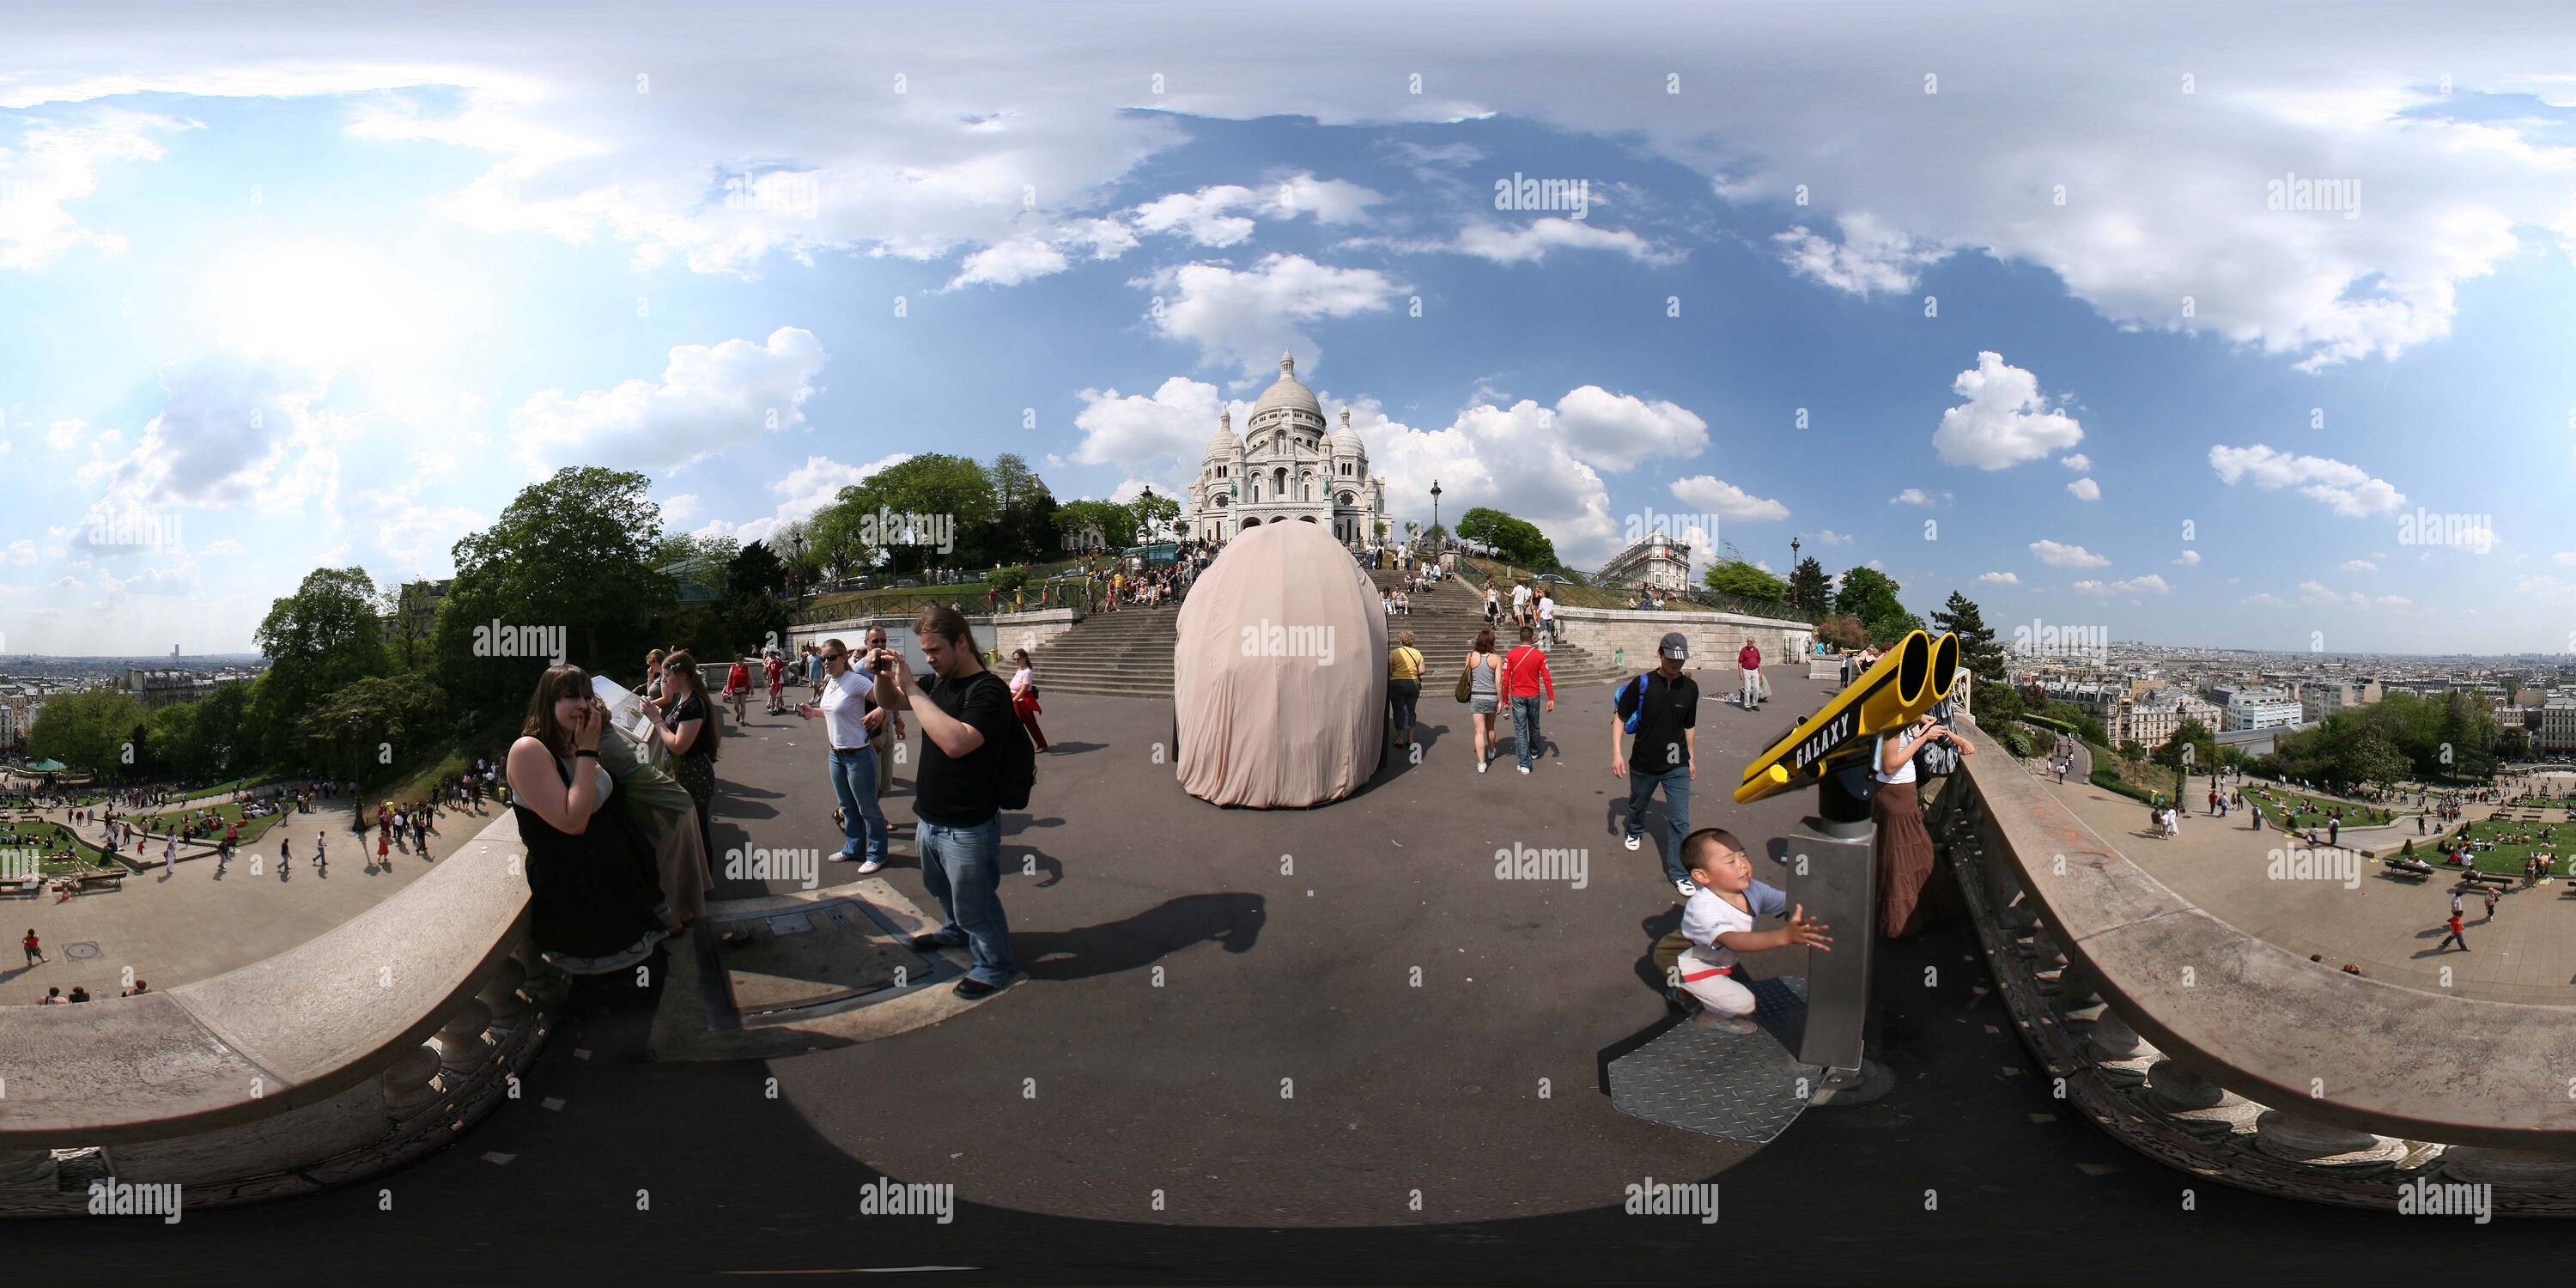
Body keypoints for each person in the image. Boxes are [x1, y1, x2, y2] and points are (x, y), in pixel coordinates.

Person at [872, 605, 1021, 999]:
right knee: (940, 888)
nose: (929, 659)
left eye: (935, 650)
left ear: (961, 642)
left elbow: (956, 742)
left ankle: (992, 964)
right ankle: (954, 930)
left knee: (976, 903)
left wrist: (915, 688)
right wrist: (884, 676)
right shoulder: (938, 683)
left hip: (970, 822)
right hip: (931, 817)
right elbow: (888, 702)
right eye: (924, 652)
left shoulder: (988, 690)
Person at [505, 665, 670, 973]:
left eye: (587, 696)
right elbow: (573, 821)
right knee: (619, 995)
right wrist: (587, 752)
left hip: (616, 881)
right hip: (582, 894)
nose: (582, 704)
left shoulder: (572, 742)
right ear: (548, 703)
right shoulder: (529, 750)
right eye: (570, 696)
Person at [1674, 828, 1832, 1033]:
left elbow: (1787, 903)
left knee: (1727, 989)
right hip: (1689, 967)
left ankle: (1690, 993)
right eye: (1731, 861)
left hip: (1715, 962)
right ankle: (1703, 1014)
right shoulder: (1702, 908)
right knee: (1743, 1004)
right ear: (1702, 875)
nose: (1743, 864)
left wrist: (1816, 895)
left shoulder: (1751, 888)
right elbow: (1734, 940)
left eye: (1743, 854)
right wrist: (1785, 936)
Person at [1614, 632, 1700, 897]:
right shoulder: (1641, 684)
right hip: (1644, 760)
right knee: (1638, 803)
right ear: (1659, 653)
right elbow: (1620, 718)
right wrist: (1616, 753)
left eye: (1681, 660)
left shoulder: (1690, 688)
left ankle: (1679, 872)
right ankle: (1635, 828)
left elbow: (1690, 725)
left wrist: (1692, 757)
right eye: (1672, 659)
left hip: (1677, 763)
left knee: (1680, 822)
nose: (1677, 664)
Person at [795, 637, 892, 873]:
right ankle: (853, 848)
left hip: (858, 753)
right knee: (847, 807)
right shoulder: (830, 681)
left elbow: (889, 700)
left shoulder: (856, 681)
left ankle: (877, 854)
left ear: (844, 657)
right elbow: (833, 712)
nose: (825, 662)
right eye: (822, 657)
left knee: (867, 807)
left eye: (831, 657)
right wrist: (813, 713)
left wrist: (880, 711)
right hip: (836, 754)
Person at [1874, 708, 1974, 937]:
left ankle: (1916, 914)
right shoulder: (1892, 719)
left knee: (1914, 853)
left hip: (1902, 793)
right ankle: (1900, 923)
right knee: (1904, 858)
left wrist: (1918, 720)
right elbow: (1889, 764)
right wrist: (1922, 738)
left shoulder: (1898, 714)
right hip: (1895, 795)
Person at [1502, 625, 1554, 775]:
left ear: (1520, 638)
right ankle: (1535, 751)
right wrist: (1551, 698)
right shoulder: (1539, 655)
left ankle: (1524, 763)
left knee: (1520, 728)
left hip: (1517, 695)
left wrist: (1505, 699)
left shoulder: (1510, 655)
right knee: (1534, 724)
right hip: (1533, 695)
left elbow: (1506, 679)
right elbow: (1547, 678)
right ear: (1532, 639)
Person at [863, 625, 907, 799]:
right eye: (875, 641)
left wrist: (897, 720)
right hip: (871, 733)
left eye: (883, 640)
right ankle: (854, 814)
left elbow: (894, 696)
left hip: (887, 727)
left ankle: (875, 815)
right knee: (871, 780)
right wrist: (869, 736)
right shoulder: (860, 670)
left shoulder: (887, 664)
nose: (880, 644)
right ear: (867, 644)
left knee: (884, 781)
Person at [1463, 628, 1503, 774]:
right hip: (1491, 696)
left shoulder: (1470, 656)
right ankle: (1491, 750)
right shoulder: (1496, 658)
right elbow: (1498, 682)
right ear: (1491, 643)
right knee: (1490, 727)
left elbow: (1467, 677)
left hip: (1476, 696)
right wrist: (1500, 700)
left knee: (1479, 731)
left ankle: (1481, 763)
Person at [1388, 629, 1424, 751]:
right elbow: (1422, 670)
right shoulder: (1417, 653)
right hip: (1413, 683)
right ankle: (1411, 738)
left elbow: (1390, 671)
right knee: (1411, 710)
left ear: (1401, 640)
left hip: (1397, 683)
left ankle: (1400, 738)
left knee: (1398, 710)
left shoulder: (1394, 653)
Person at [1006, 648, 1048, 754]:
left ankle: (1042, 744)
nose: (1016, 661)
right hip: (1016, 700)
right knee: (1015, 725)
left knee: (1031, 724)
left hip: (1023, 702)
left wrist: (1013, 700)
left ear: (1024, 658)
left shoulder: (1027, 672)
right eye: (1014, 659)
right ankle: (1018, 746)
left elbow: (1024, 689)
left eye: (1018, 659)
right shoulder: (1019, 670)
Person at [725, 653, 752, 724]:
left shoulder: (746, 667)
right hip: (735, 688)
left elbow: (750, 679)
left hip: (744, 688)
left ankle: (743, 720)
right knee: (735, 706)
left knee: (742, 704)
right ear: (736, 661)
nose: (740, 662)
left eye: (741, 660)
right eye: (738, 660)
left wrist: (752, 689)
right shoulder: (733, 667)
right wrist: (728, 688)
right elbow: (729, 678)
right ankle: (738, 714)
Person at [1736, 637, 1762, 711]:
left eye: (1750, 641)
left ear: (1753, 642)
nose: (1749, 643)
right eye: (1748, 641)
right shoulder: (1744, 650)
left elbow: (1758, 662)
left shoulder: (1756, 650)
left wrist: (1760, 672)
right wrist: (1740, 673)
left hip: (1755, 670)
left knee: (1756, 688)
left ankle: (1755, 704)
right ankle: (1747, 705)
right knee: (1747, 689)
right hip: (1746, 670)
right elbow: (1740, 662)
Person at [764, 649, 788, 715]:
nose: (771, 657)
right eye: (770, 656)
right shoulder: (771, 663)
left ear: (775, 655)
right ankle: (783, 707)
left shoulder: (778, 661)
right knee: (777, 695)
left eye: (771, 655)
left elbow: (783, 668)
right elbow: (770, 673)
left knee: (778, 695)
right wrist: (769, 681)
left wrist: (781, 670)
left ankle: (776, 709)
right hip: (773, 681)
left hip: (779, 680)